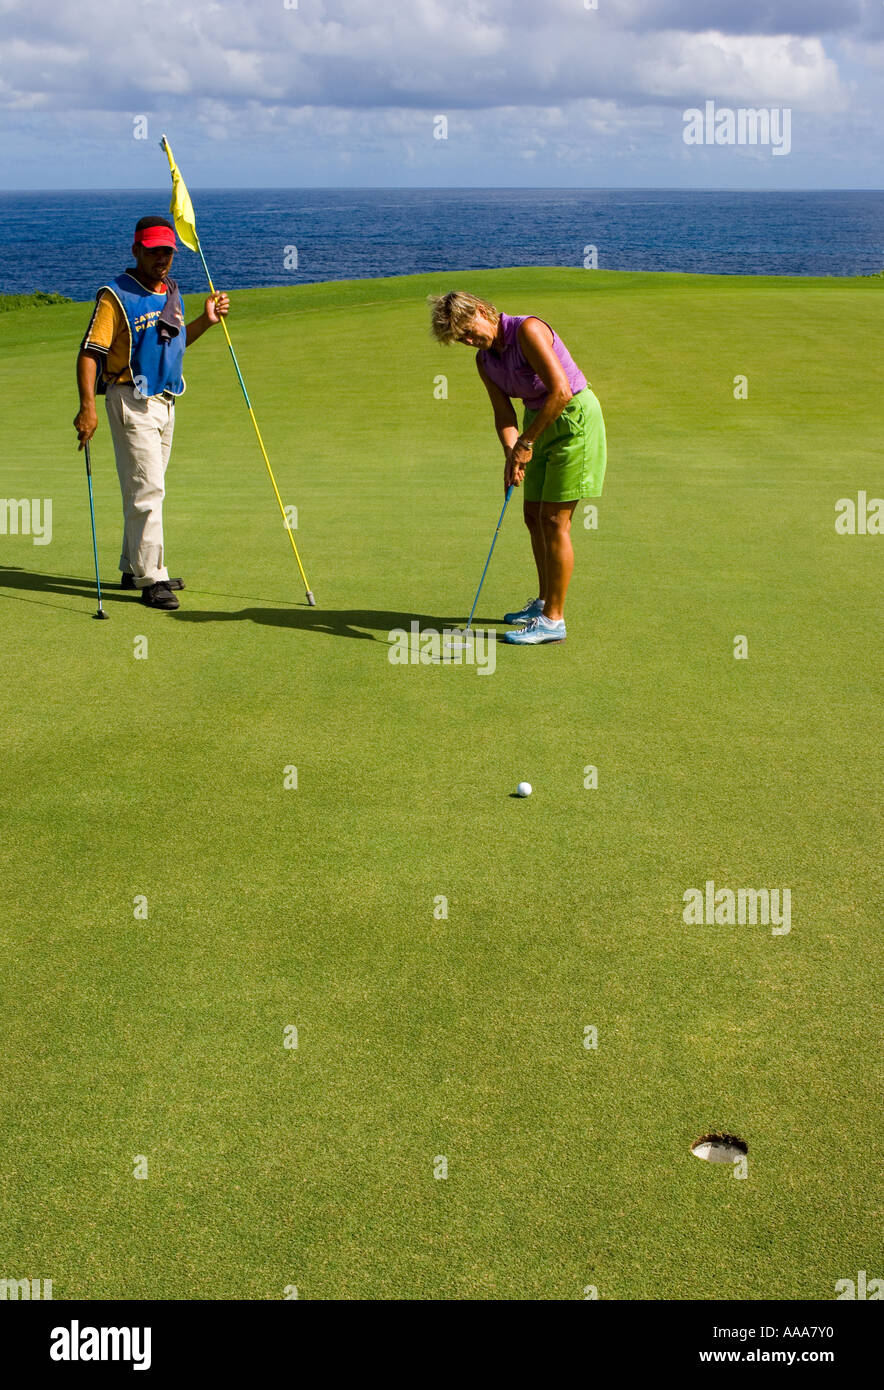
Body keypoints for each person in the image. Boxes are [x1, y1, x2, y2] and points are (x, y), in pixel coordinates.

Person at [429, 290, 606, 645]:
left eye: (467, 330)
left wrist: (526, 443)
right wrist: (512, 454)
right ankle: (543, 602)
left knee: (556, 521)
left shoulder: (528, 330)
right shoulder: (484, 360)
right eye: (460, 339)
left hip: (573, 422)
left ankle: (554, 621)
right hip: (535, 424)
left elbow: (561, 393)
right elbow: (504, 413)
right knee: (532, 515)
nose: (468, 340)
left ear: (482, 310)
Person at [73, 216, 229, 610]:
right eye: (154, 250)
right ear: (137, 251)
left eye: (168, 251)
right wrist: (87, 407)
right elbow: (90, 353)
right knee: (148, 490)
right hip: (128, 399)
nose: (162, 258)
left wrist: (206, 322)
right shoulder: (116, 295)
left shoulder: (169, 290)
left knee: (148, 486)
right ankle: (152, 578)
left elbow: (173, 345)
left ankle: (134, 566)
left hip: (165, 401)